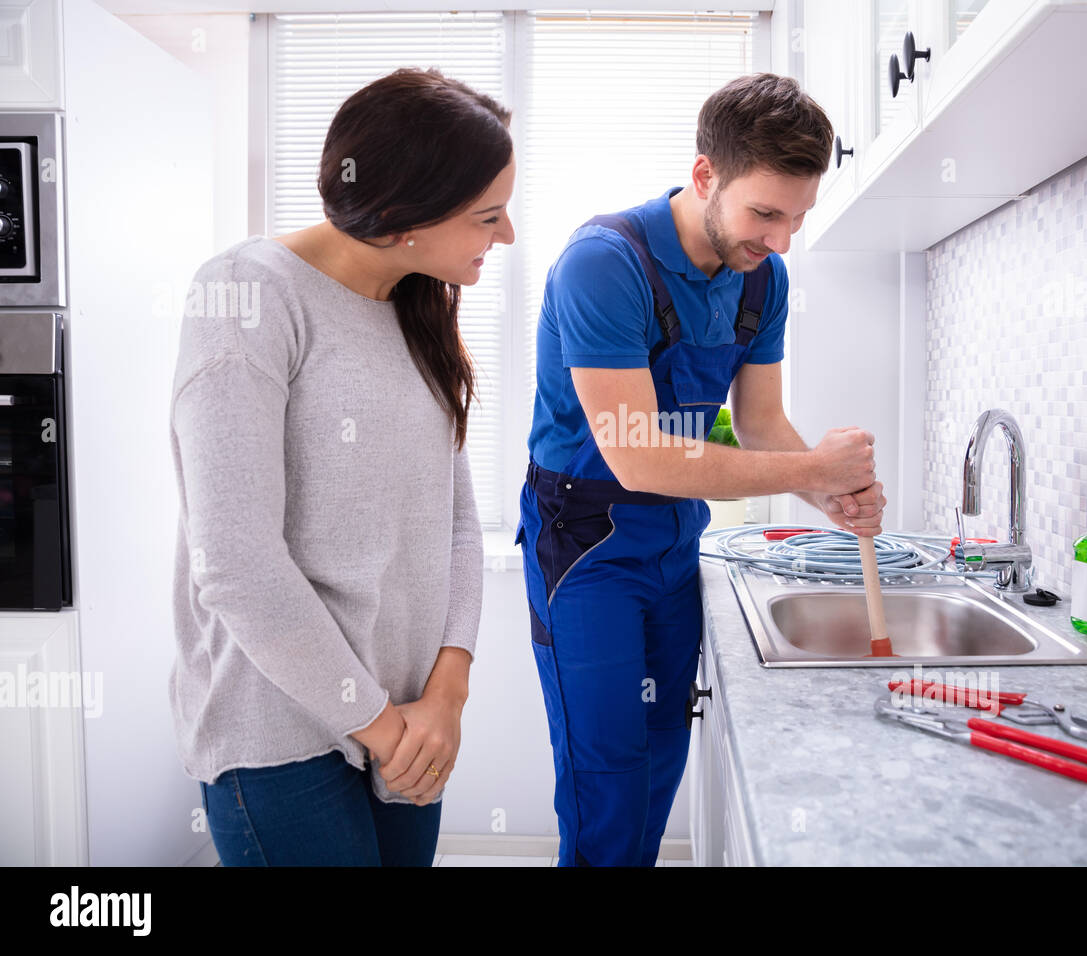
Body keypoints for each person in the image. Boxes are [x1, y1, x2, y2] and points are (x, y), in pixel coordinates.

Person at [515, 72, 885, 866]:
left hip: (676, 544)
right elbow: (637, 451)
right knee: (605, 774)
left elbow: (758, 426)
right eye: (765, 214)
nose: (781, 241)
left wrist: (833, 490)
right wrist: (812, 467)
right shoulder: (604, 264)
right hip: (586, 548)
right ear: (705, 174)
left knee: (658, 758)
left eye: (797, 217)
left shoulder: (765, 279)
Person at [168, 68, 514, 866]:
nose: (506, 236)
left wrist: (445, 698)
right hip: (281, 731)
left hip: (407, 724)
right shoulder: (248, 294)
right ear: (402, 216)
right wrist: (386, 728)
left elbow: (454, 519)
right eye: (488, 216)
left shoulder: (416, 305)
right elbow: (237, 565)